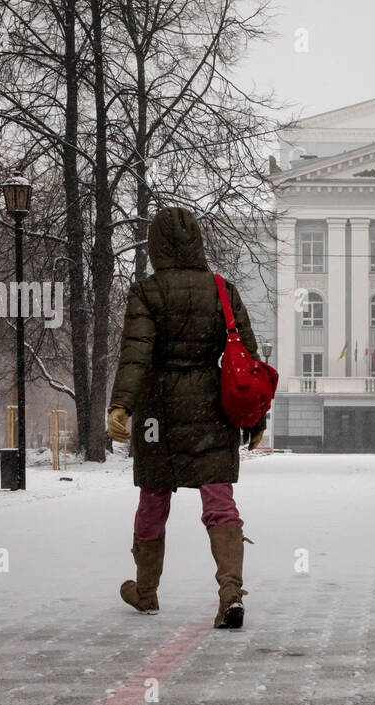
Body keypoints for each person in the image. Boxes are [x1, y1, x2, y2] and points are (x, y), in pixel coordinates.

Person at [106, 207, 264, 629]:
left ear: (157, 246)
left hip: (158, 411)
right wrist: (256, 417)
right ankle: (230, 590)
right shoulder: (222, 290)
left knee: (153, 497)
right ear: (197, 243)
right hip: (210, 407)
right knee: (218, 499)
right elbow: (246, 358)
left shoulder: (147, 292)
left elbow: (136, 354)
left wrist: (120, 404)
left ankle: (146, 591)